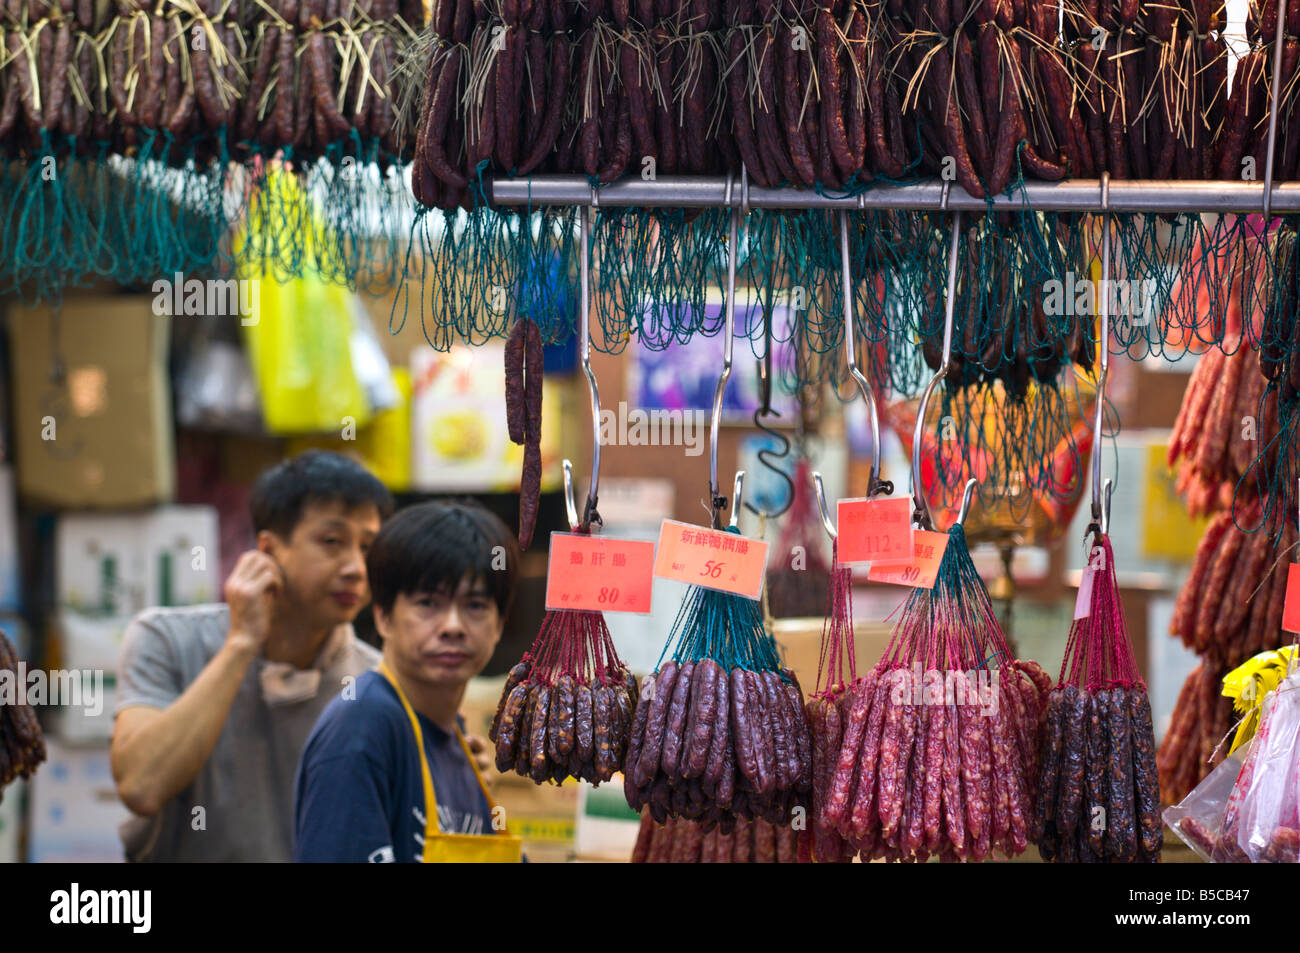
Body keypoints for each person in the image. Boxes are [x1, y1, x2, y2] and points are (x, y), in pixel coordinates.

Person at [110, 450, 394, 862]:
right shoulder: (167, 639)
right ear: (268, 550)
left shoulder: (376, 681)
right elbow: (141, 786)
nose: (356, 567)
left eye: (368, 547)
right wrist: (242, 644)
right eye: (332, 541)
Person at [293, 499, 522, 863]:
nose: (452, 626)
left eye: (475, 606)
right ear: (383, 617)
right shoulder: (363, 725)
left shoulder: (458, 741)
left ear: (499, 624)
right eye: (428, 603)